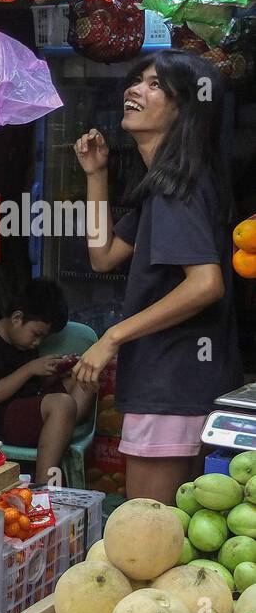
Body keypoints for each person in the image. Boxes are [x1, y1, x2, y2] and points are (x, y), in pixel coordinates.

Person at [73, 50, 242, 504]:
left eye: (153, 85)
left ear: (184, 108)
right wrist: (96, 176)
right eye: (136, 80)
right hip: (183, 382)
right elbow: (103, 257)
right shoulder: (168, 185)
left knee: (147, 535)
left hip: (172, 381)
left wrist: (112, 337)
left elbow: (206, 284)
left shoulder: (176, 189)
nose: (134, 89)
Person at [0, 278, 95, 487]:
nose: (38, 342)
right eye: (36, 334)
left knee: (84, 381)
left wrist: (55, 370)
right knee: (62, 404)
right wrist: (30, 369)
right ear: (17, 318)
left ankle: (57, 430)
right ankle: (45, 487)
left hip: (25, 409)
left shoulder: (24, 344)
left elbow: (32, 388)